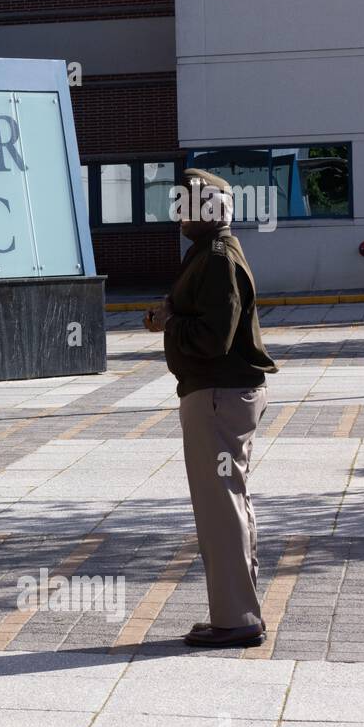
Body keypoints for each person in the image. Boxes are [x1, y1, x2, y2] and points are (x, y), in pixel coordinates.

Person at [145, 167, 277, 649]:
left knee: (221, 507)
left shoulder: (218, 258)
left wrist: (172, 320)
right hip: (216, 393)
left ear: (213, 210)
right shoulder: (205, 254)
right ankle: (235, 612)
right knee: (227, 504)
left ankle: (237, 619)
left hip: (218, 395)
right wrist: (171, 315)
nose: (178, 212)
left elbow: (212, 338)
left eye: (187, 203)